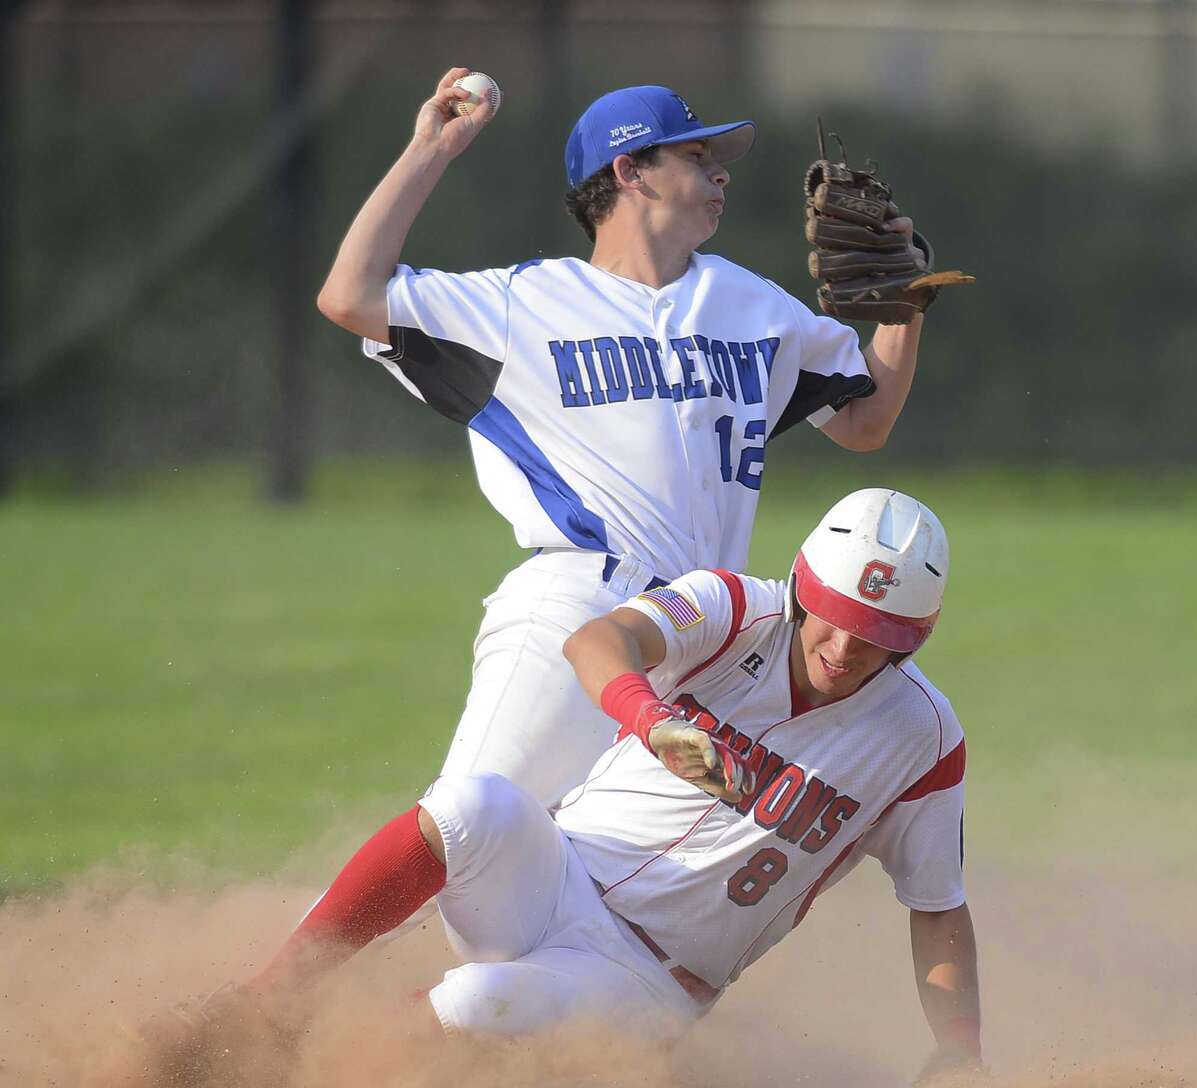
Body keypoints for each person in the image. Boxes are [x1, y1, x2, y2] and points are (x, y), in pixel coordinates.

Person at [266, 71, 934, 983]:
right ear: (631, 171)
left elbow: (866, 422)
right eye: (697, 155)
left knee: (590, 881)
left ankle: (493, 1040)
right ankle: (266, 1006)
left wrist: (904, 309)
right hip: (579, 598)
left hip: (707, 638)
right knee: (468, 818)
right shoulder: (520, 305)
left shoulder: (755, 307)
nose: (721, 173)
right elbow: (350, 294)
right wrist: (433, 149)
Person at [157, 490, 979, 1085]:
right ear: (802, 589)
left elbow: (937, 906)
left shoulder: (923, 741)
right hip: (552, 875)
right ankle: (260, 1009)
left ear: (914, 639)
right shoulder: (732, 609)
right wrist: (652, 719)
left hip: (646, 983)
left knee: (480, 1002)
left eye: (878, 637)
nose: (846, 645)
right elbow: (600, 639)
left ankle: (293, 1082)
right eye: (832, 614)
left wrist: (959, 1054)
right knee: (472, 802)